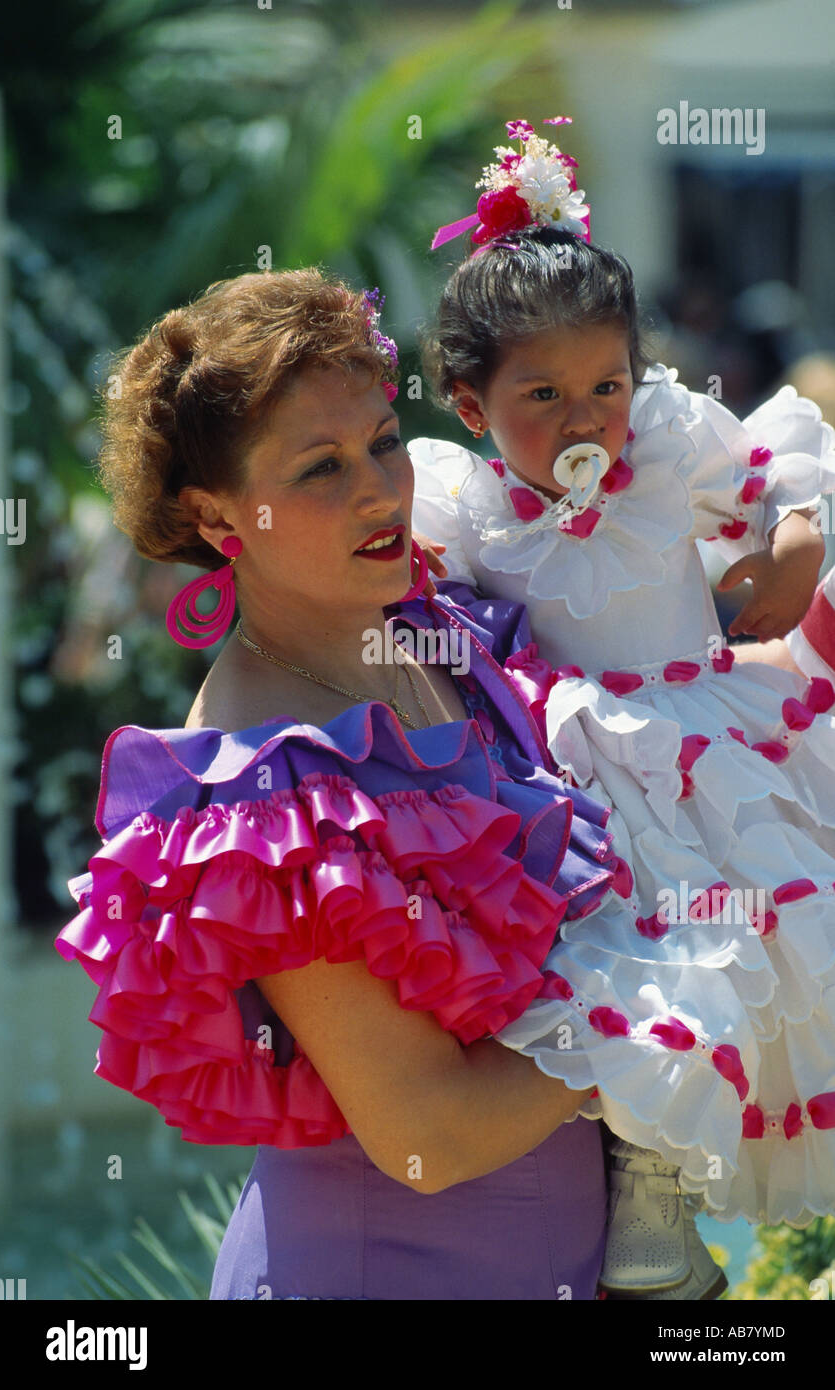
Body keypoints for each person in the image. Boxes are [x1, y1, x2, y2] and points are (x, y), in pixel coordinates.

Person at [54, 266, 659, 1301]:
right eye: (320, 469)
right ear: (216, 515)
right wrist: (668, 1020)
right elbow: (431, 1132)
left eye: (381, 439)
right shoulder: (260, 788)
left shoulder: (442, 626)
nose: (381, 489)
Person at [410, 118, 835, 1299]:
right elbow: (403, 599)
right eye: (540, 395)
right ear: (465, 401)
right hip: (570, 762)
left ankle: (672, 1183)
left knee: (747, 933)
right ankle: (638, 1176)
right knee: (623, 960)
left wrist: (791, 549)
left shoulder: (663, 440)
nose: (584, 417)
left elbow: (784, 479)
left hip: (710, 740)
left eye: (605, 383)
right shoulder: (462, 501)